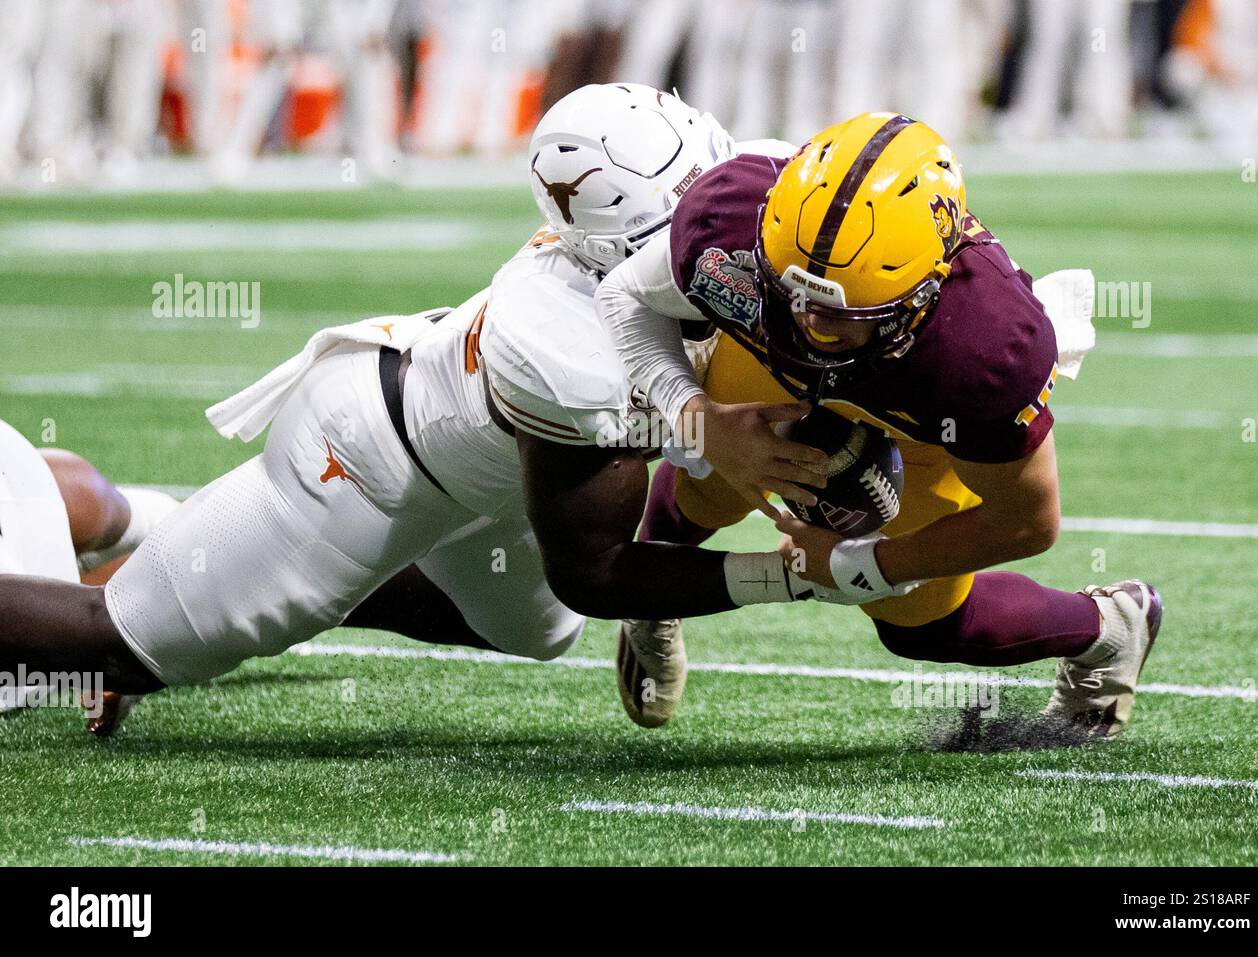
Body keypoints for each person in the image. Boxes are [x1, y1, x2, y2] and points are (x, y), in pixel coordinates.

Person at [0, 85, 856, 737]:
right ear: (620, 245)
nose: (724, 226)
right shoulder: (564, 350)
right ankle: (155, 549)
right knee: (115, 646)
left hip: (474, 460)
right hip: (360, 469)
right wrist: (786, 574)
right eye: (689, 221)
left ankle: (224, 557)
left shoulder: (743, 187)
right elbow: (593, 569)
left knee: (542, 632)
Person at [596, 111, 1162, 738]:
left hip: (918, 418)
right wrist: (695, 416)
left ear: (927, 290)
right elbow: (626, 298)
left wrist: (865, 563)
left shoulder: (981, 348)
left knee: (920, 628)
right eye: (795, 296)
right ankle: (654, 595)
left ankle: (1110, 627)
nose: (812, 325)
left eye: (845, 315)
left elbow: (1028, 522)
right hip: (781, 373)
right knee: (712, 468)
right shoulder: (727, 221)